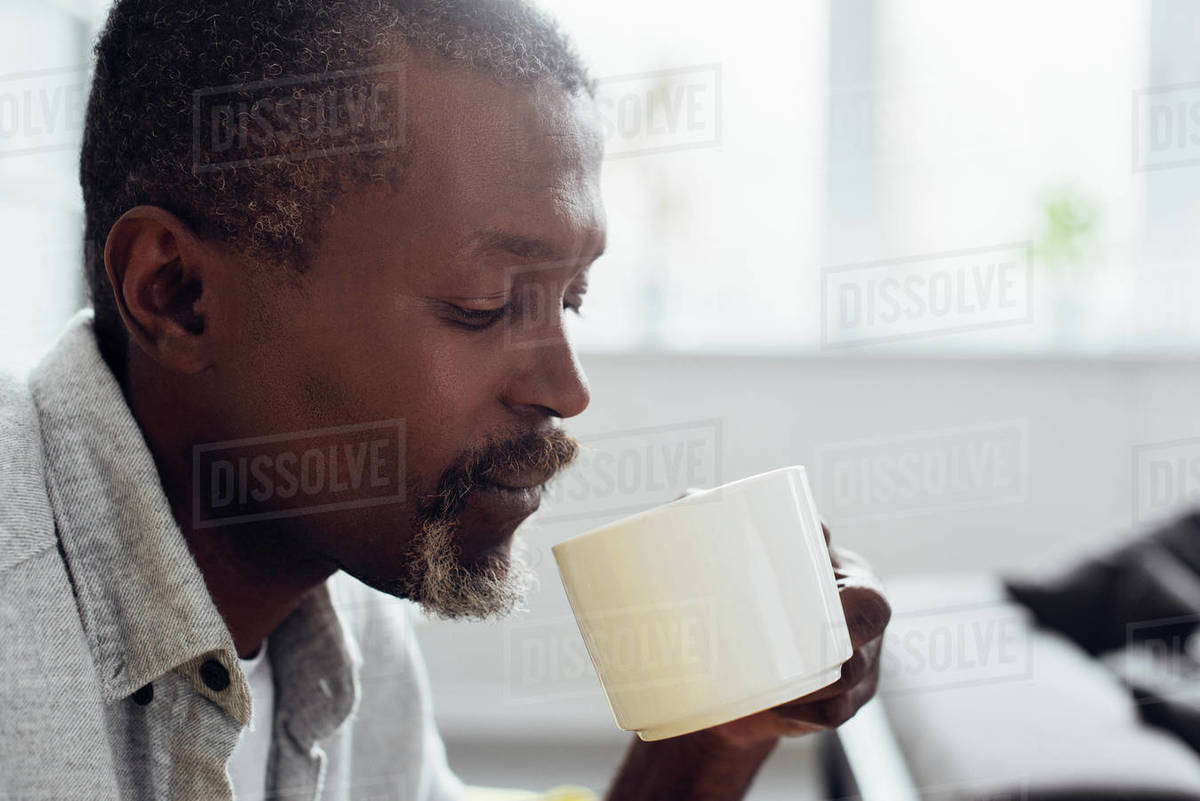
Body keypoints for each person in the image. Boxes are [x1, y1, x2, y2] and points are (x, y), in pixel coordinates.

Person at [0, 1, 891, 799]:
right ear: (177, 293)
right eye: (483, 305)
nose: (566, 391)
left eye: (570, 298)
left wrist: (716, 734)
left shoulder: (339, 595)